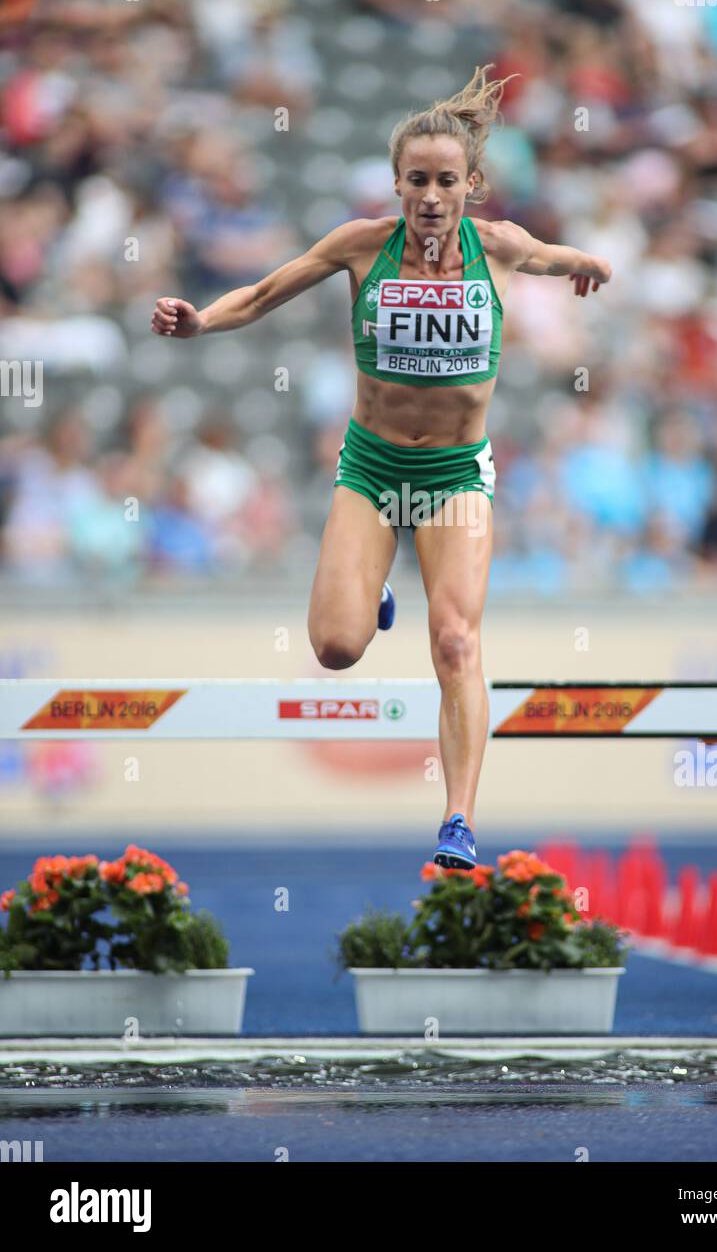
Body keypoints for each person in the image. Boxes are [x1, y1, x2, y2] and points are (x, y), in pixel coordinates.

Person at [151, 66, 612, 869]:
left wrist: (588, 263)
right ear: (397, 184)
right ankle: (375, 588)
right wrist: (200, 323)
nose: (431, 197)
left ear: (472, 184)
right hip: (371, 470)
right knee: (335, 647)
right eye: (416, 181)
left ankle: (458, 824)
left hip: (457, 479)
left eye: (446, 181)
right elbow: (261, 294)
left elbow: (550, 252)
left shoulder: (497, 249)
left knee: (458, 643)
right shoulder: (362, 245)